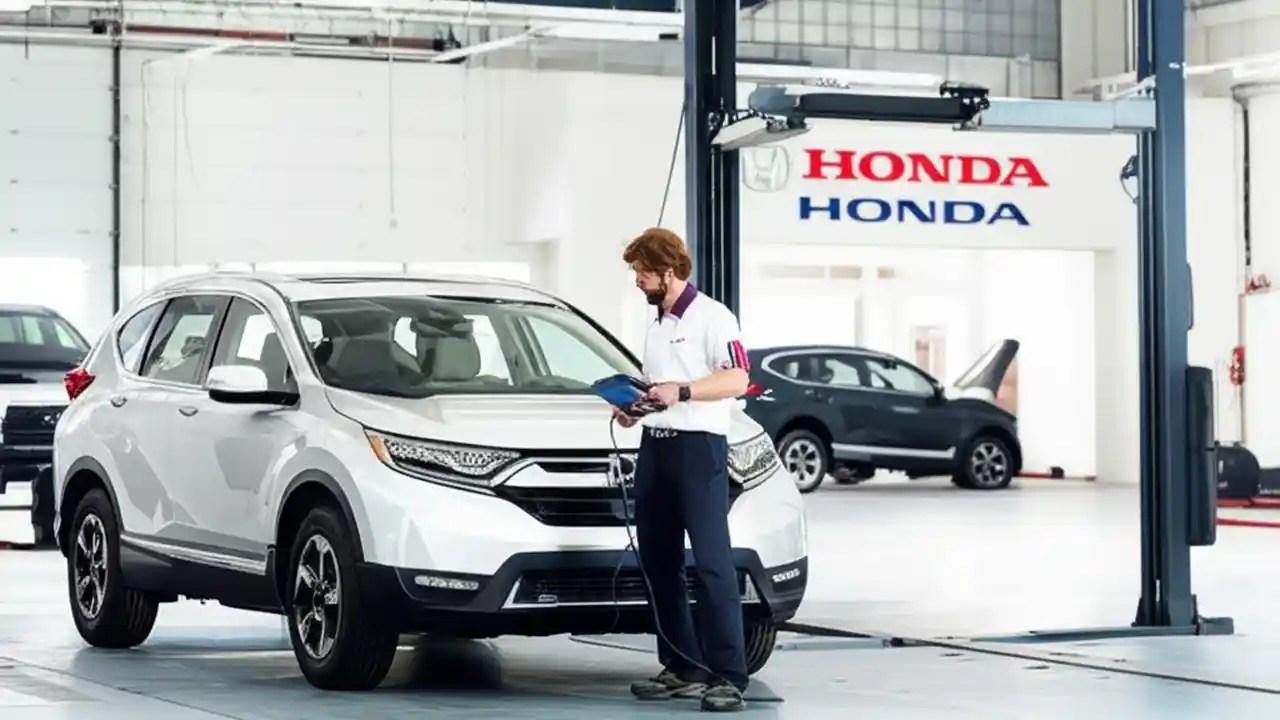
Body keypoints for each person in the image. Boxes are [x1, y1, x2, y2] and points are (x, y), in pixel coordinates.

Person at [615, 227, 752, 713]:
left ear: (666, 270)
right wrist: (637, 409)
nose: (637, 280)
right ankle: (682, 665)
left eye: (641, 271)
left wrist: (685, 391)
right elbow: (662, 392)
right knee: (658, 561)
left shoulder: (713, 316)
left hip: (699, 451)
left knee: (713, 562)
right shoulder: (655, 324)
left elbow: (738, 377)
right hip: (657, 446)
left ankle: (729, 675)